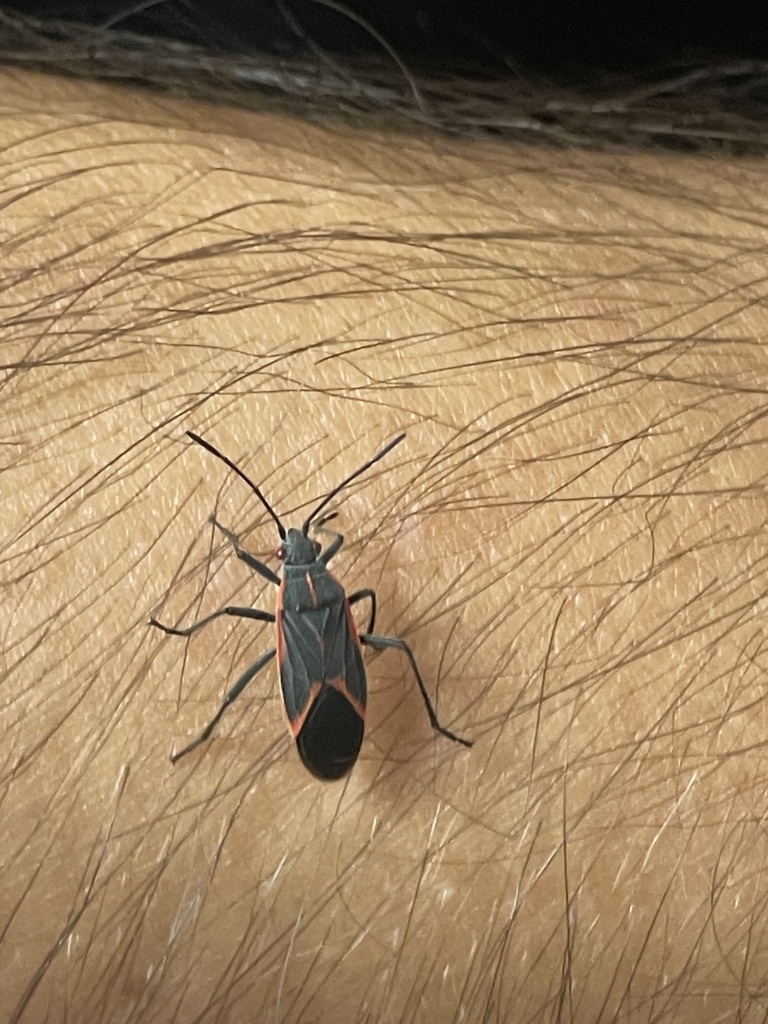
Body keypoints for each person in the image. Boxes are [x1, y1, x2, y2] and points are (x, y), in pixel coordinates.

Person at [2, 46, 765, 1024]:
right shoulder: (325, 596)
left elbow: (292, 589)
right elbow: (336, 600)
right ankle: (273, 728)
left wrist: (231, 569)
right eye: (295, 556)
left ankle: (313, 727)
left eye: (297, 556)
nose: (297, 559)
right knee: (383, 643)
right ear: (305, 573)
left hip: (322, 695)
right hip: (335, 692)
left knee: (301, 642)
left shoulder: (295, 598)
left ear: (298, 574)